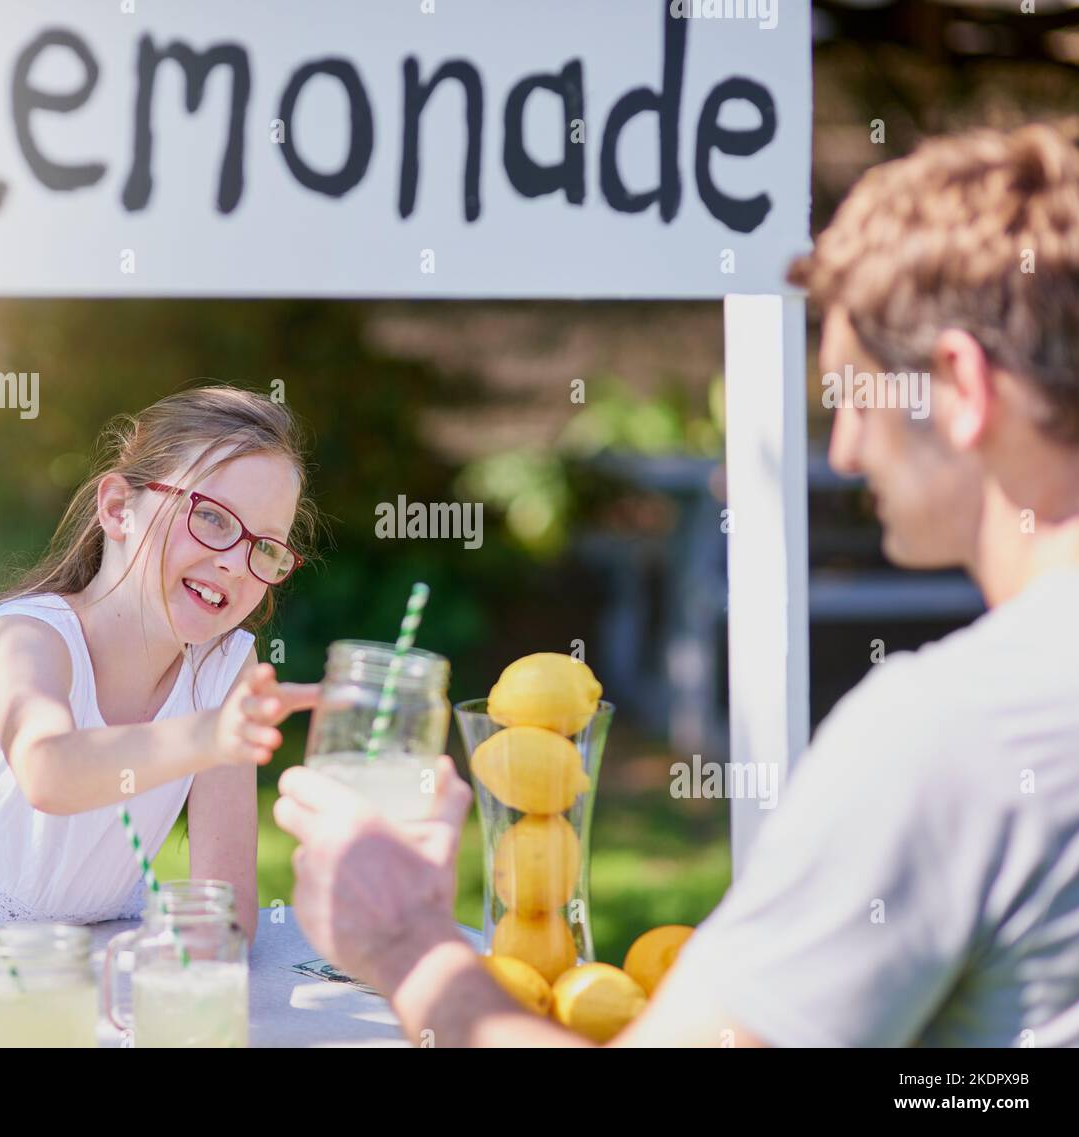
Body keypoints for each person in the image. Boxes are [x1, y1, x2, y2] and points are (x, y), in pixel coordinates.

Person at [276, 122, 1079, 1046]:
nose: (848, 451)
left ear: (961, 386)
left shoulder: (948, 736)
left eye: (853, 396)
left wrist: (408, 946)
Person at [0, 386, 319, 940]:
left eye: (265, 546)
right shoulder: (27, 638)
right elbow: (49, 771)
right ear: (119, 509)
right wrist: (210, 736)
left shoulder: (224, 670)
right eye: (212, 518)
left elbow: (226, 916)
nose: (236, 565)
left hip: (73, 967)